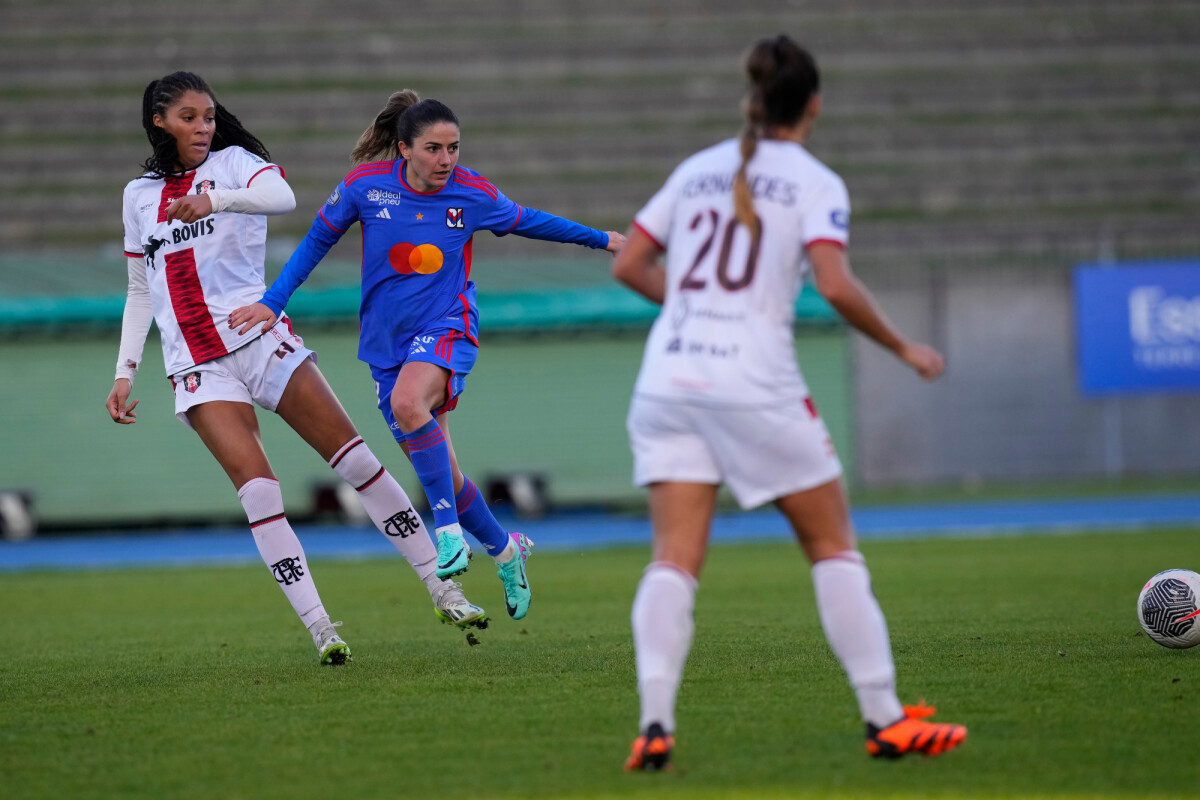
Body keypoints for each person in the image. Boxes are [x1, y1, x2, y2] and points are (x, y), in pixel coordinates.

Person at [611, 36, 967, 770]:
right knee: (832, 547)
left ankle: (654, 722)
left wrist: (690, 308)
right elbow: (834, 285)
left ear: (752, 101)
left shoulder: (699, 168)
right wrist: (904, 348)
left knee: (673, 559)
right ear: (813, 105)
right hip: (753, 385)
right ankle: (885, 717)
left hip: (668, 378)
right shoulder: (813, 180)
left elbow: (630, 262)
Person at [107, 72, 488, 667]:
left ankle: (444, 589)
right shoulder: (137, 196)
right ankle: (321, 628)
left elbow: (282, 200)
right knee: (260, 492)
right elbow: (140, 288)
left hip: (259, 339)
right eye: (188, 117)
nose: (203, 126)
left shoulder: (236, 163)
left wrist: (217, 199)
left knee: (358, 459)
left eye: (208, 115)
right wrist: (125, 370)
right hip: (197, 365)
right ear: (160, 121)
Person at [229, 90, 626, 621]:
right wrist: (273, 302)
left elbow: (530, 219)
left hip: (447, 325)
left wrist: (603, 240)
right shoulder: (364, 187)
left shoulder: (472, 193)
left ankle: (446, 536)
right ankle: (507, 552)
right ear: (404, 149)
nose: (445, 160)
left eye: (454, 148)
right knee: (448, 474)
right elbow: (316, 243)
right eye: (434, 149)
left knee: (410, 404)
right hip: (386, 344)